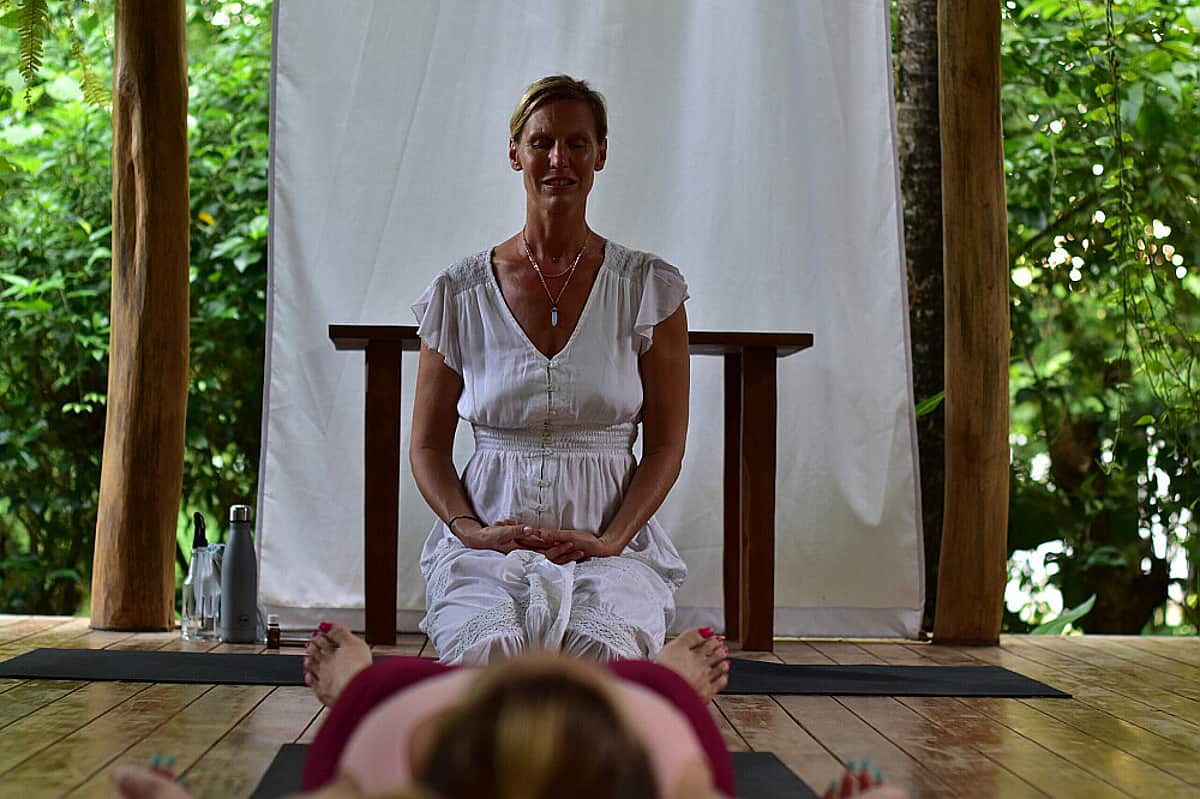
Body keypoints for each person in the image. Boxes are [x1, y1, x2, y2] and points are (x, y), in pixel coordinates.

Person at [408, 74, 697, 664]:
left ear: (601, 154)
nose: (558, 158)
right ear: (515, 153)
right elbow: (428, 447)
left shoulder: (647, 288)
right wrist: (467, 529)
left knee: (600, 656)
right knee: (490, 655)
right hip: (486, 547)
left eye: (577, 143)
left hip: (609, 544)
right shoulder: (459, 292)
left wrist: (611, 540)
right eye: (541, 142)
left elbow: (667, 444)